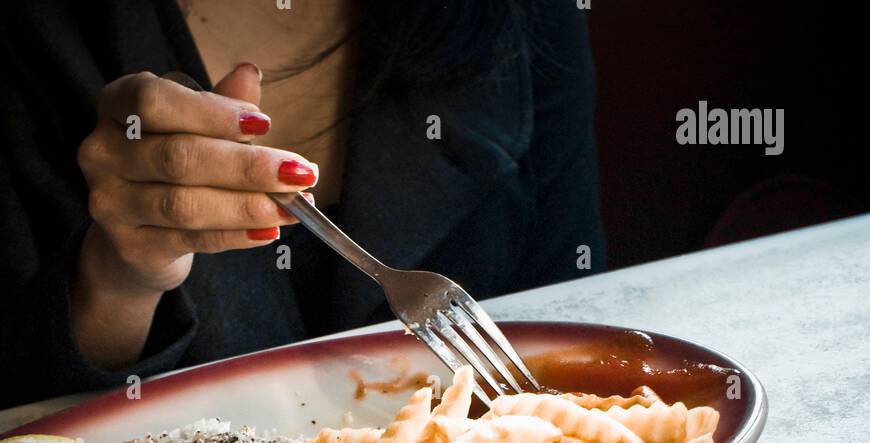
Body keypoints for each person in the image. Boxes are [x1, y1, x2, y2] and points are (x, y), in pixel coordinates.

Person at [0, 1, 603, 410]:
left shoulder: (516, 17)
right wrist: (118, 281)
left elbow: (578, 317)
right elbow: (26, 442)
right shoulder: (36, 35)